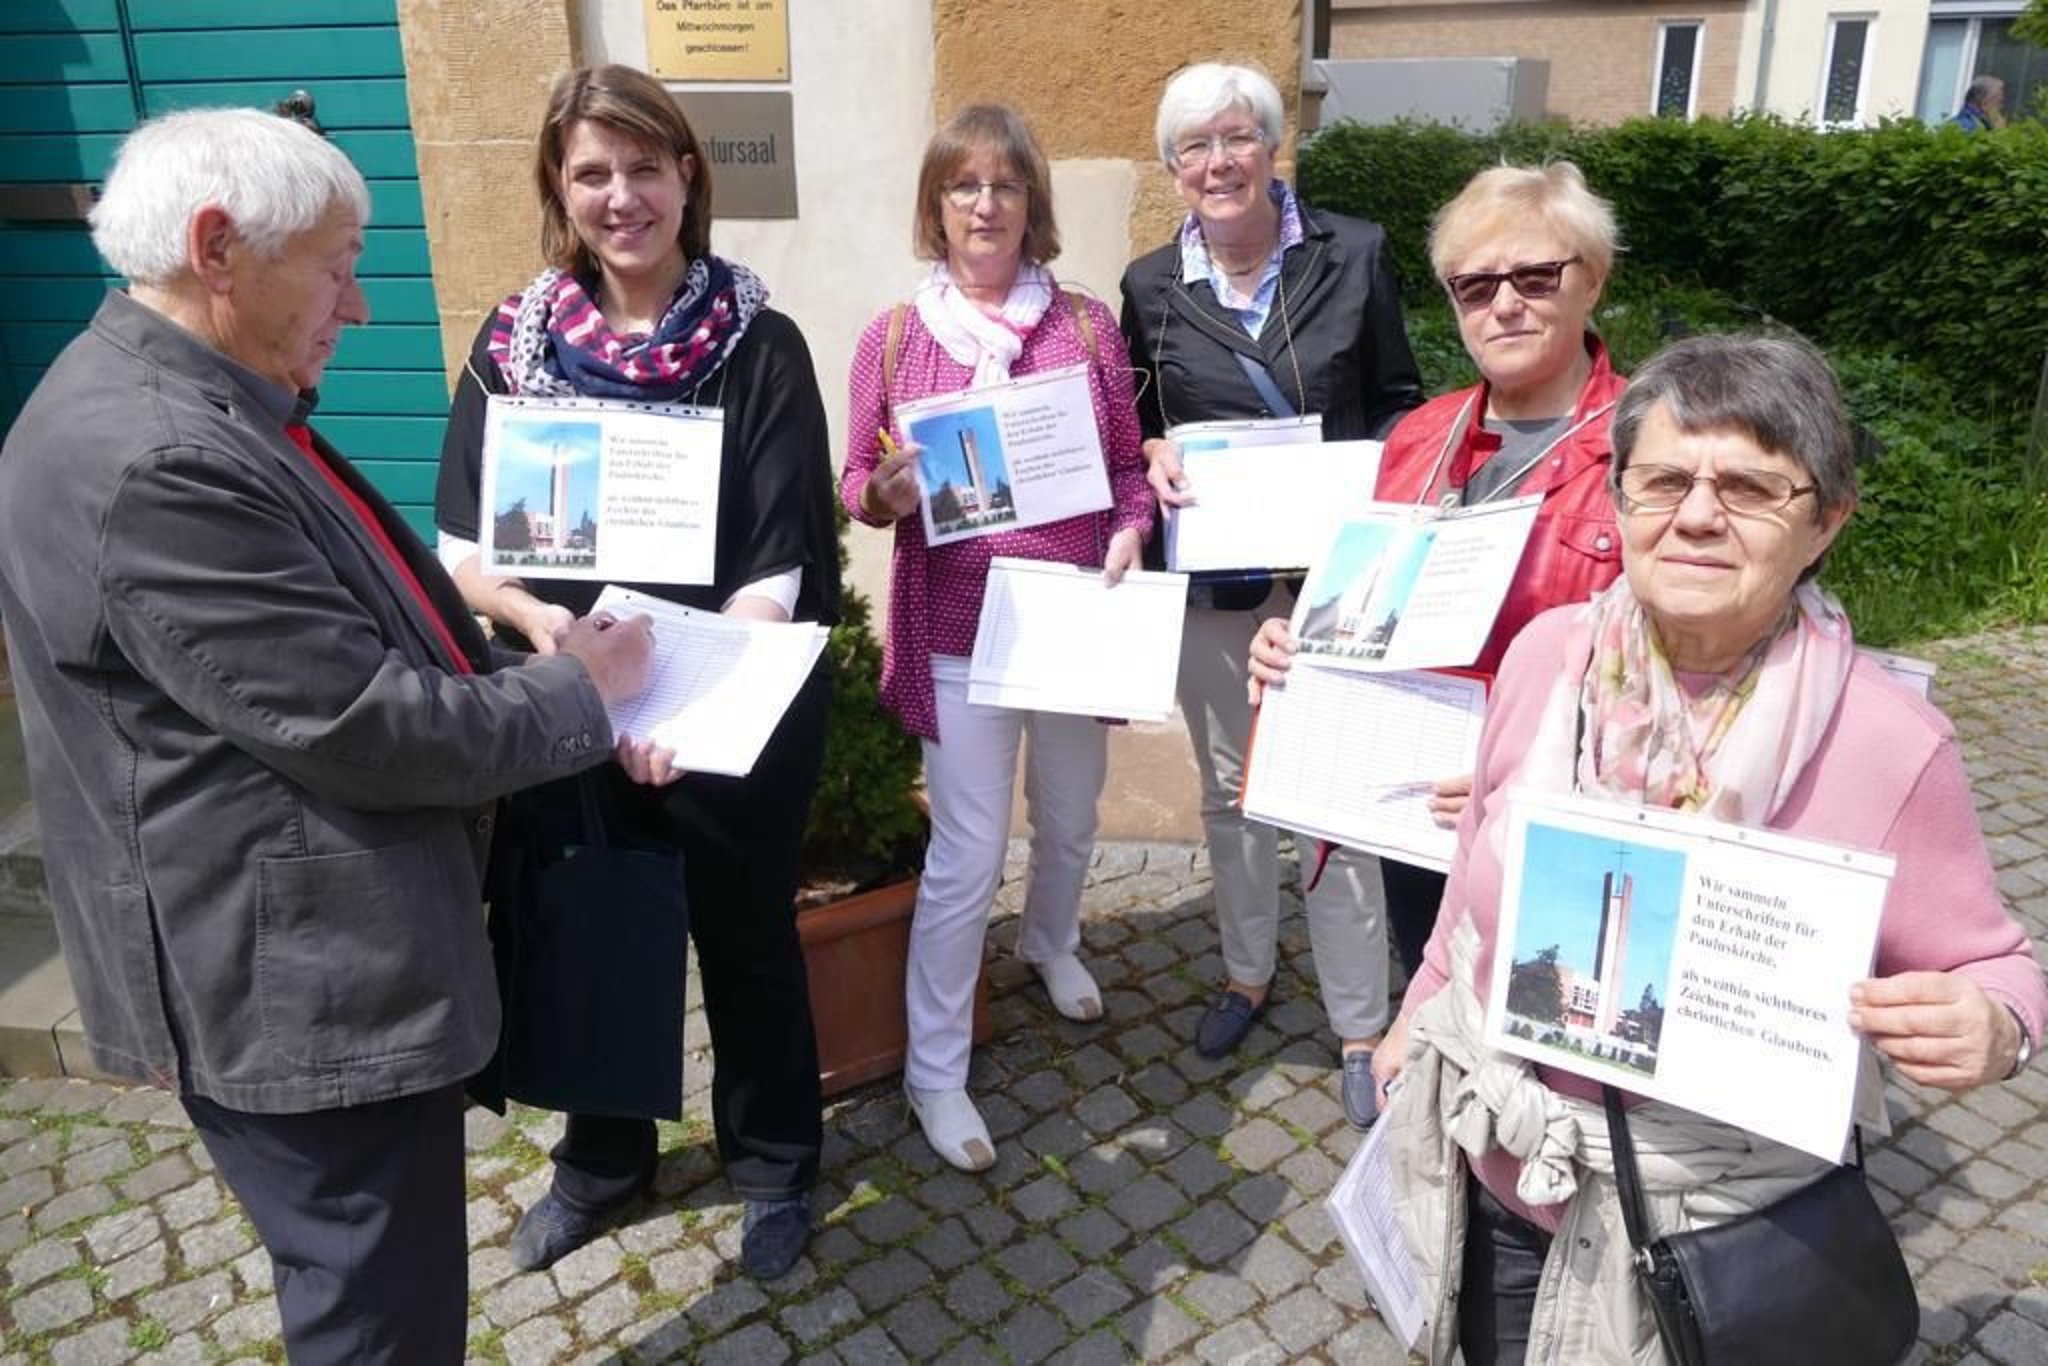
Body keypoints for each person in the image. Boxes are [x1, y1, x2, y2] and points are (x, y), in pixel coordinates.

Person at [0, 108, 654, 1364]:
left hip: (304, 953)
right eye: (339, 264)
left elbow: (327, 634)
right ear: (217, 249)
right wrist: (587, 690)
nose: (357, 306)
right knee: (374, 1310)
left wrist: (483, 619)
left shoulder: (197, 399)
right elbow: (363, 723)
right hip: (297, 988)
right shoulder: (156, 458)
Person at [1257, 333, 2048, 1364]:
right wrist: (1417, 1013)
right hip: (1501, 1166)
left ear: (1825, 522)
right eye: (1662, 478)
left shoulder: (1884, 742)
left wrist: (1993, 1026)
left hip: (1712, 1220)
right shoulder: (1548, 658)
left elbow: (1995, 965)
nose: (1696, 514)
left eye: (1751, 487)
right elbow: (1478, 856)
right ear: (1619, 498)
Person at [433, 64, 842, 1281]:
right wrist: (558, 653)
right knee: (585, 930)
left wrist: (682, 705)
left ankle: (774, 1162)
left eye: (644, 167)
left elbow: (778, 560)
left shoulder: (758, 347)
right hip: (565, 706)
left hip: (724, 709)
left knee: (747, 937)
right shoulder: (509, 346)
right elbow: (464, 544)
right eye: (593, 172)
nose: (623, 196)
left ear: (687, 176)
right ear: (561, 190)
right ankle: (604, 1162)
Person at [843, 104, 1152, 1172]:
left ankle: (1052, 940)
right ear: (935, 207)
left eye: (1004, 186)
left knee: (1069, 822)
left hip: (1068, 620)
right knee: (967, 856)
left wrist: (1129, 532)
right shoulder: (892, 337)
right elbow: (855, 483)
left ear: (1032, 205)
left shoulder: (1086, 329)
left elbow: (1123, 469)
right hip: (958, 630)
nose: (984, 204)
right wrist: (880, 491)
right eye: (963, 186)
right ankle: (934, 1069)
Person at [1118, 62, 1423, 1129]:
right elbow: (1139, 419)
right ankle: (1244, 975)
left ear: (1270, 147)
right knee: (1228, 789)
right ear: (1171, 170)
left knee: (1335, 800)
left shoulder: (1355, 251)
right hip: (1218, 582)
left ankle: (1357, 1019)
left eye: (1236, 137)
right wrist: (1150, 447)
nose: (1218, 162)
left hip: (1333, 581)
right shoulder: (1149, 285)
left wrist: (1360, 495)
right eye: (1194, 147)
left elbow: (1399, 405)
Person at [1351, 162, 1628, 1017]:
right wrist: (1300, 650)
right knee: (1435, 1012)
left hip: (1564, 825)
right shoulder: (1420, 435)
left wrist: (1542, 775)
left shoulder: (1652, 443)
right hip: (1421, 811)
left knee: (1549, 1033)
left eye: (1536, 276)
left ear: (1593, 280)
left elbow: (1690, 673)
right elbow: (1370, 609)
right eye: (1474, 285)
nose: (1504, 303)